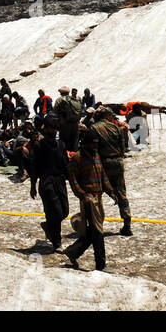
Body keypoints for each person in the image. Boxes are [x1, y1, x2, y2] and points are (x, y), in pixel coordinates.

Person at [65, 129, 114, 271]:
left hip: (98, 197)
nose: (95, 147)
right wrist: (82, 195)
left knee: (93, 231)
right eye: (92, 144)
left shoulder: (96, 156)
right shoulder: (77, 158)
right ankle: (101, 265)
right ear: (85, 144)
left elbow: (103, 175)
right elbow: (73, 180)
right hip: (88, 199)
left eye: (96, 144)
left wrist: (111, 191)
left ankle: (73, 251)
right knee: (98, 232)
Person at [29, 116, 70, 250]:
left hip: (60, 181)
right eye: (51, 128)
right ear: (45, 129)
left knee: (64, 211)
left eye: (55, 128)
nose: (54, 131)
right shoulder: (39, 145)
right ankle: (56, 242)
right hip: (46, 182)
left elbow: (65, 165)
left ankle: (48, 226)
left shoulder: (61, 145)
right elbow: (34, 167)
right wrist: (33, 186)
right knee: (56, 212)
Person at [92, 107, 132, 236]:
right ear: (109, 116)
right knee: (121, 192)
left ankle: (96, 224)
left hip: (102, 165)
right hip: (117, 163)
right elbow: (123, 147)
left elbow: (92, 149)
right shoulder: (116, 128)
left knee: (96, 194)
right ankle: (127, 223)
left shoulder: (94, 128)